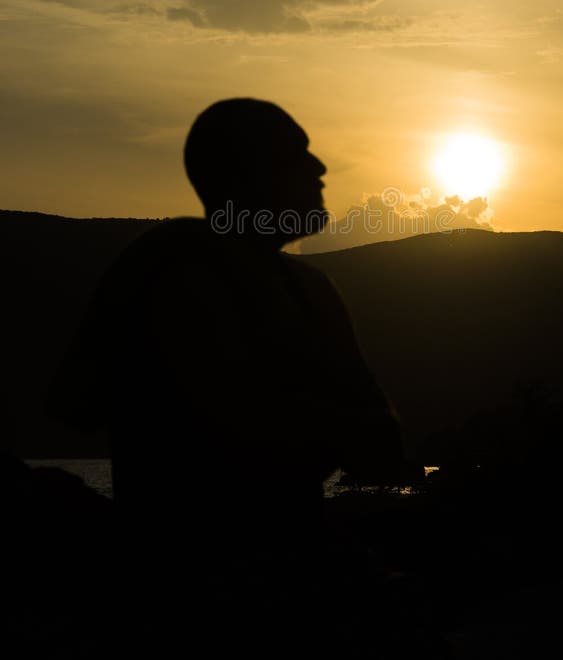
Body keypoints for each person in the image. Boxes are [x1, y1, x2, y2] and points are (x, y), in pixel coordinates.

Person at [49, 98, 403, 648]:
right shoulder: (168, 267)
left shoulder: (310, 289)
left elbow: (382, 446)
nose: (320, 170)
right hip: (191, 601)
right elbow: (81, 405)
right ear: (244, 173)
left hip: (294, 588)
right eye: (296, 155)